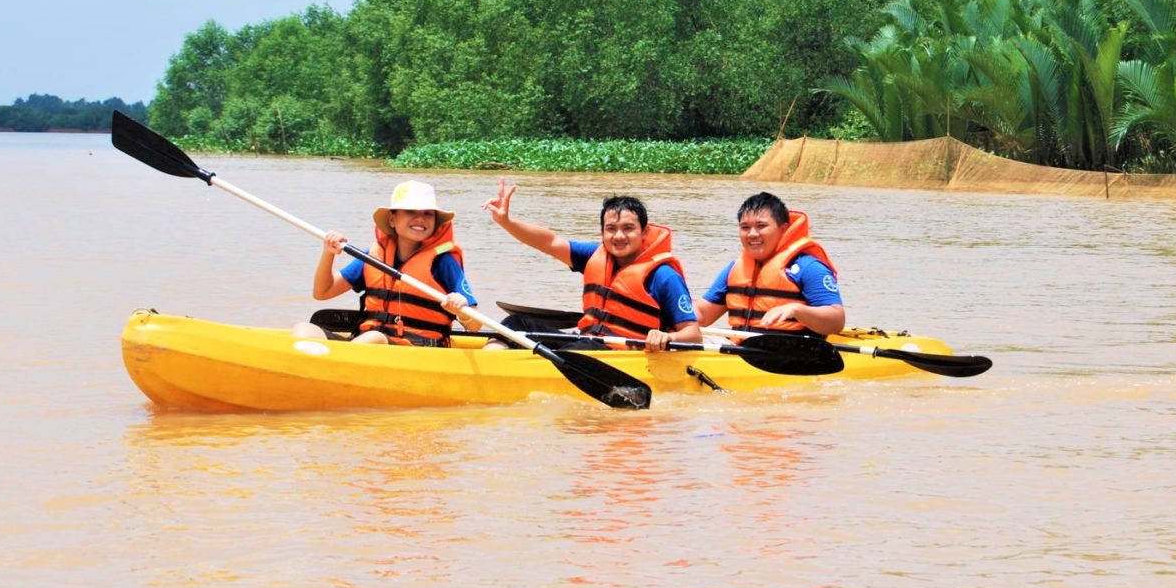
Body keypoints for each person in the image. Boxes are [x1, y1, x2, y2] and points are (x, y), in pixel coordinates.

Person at [482, 177, 702, 352]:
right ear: (602, 232)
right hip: (586, 343)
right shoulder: (594, 256)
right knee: (514, 324)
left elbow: (693, 334)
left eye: (628, 228)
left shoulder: (664, 276)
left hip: (624, 354)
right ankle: (488, 368)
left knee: (577, 350)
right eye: (611, 229)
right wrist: (506, 222)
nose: (619, 236)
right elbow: (550, 242)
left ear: (644, 232)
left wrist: (667, 337)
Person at [292, 180, 480, 345]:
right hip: (367, 343)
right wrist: (328, 253)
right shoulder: (373, 258)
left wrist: (461, 310)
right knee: (304, 330)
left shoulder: (443, 262)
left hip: (418, 347)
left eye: (428, 214)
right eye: (410, 211)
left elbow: (475, 325)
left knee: (374, 338)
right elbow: (322, 292)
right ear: (392, 219)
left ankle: (338, 364)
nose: (420, 219)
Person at [693, 191, 846, 337]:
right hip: (742, 348)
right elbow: (703, 314)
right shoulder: (734, 269)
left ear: (783, 229)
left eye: (761, 226)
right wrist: (679, 312)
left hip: (793, 350)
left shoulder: (809, 268)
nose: (752, 234)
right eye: (745, 227)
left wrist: (797, 310)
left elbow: (836, 321)